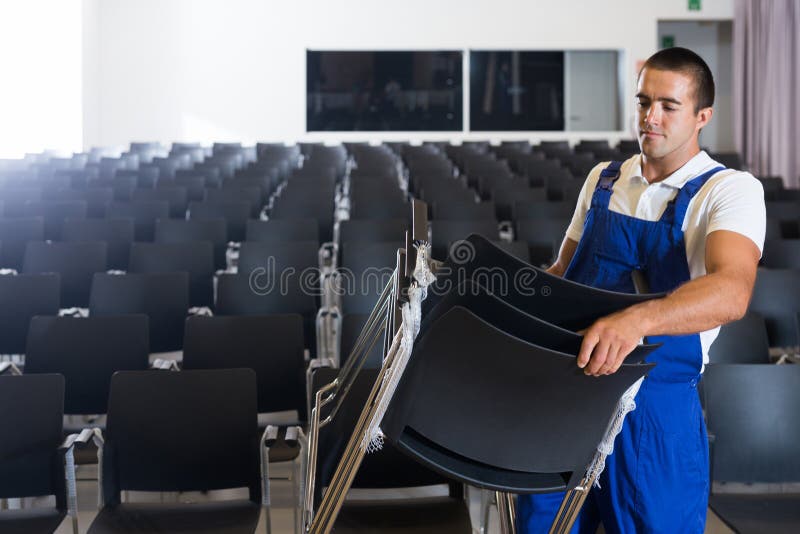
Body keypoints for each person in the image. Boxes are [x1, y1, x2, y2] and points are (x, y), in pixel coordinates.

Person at [517, 47, 766, 533]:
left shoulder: (729, 191)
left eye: (668, 106)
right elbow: (563, 270)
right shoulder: (603, 179)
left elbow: (732, 291)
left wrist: (638, 320)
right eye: (643, 102)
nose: (650, 118)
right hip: (569, 394)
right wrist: (508, 295)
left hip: (655, 412)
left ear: (702, 117)